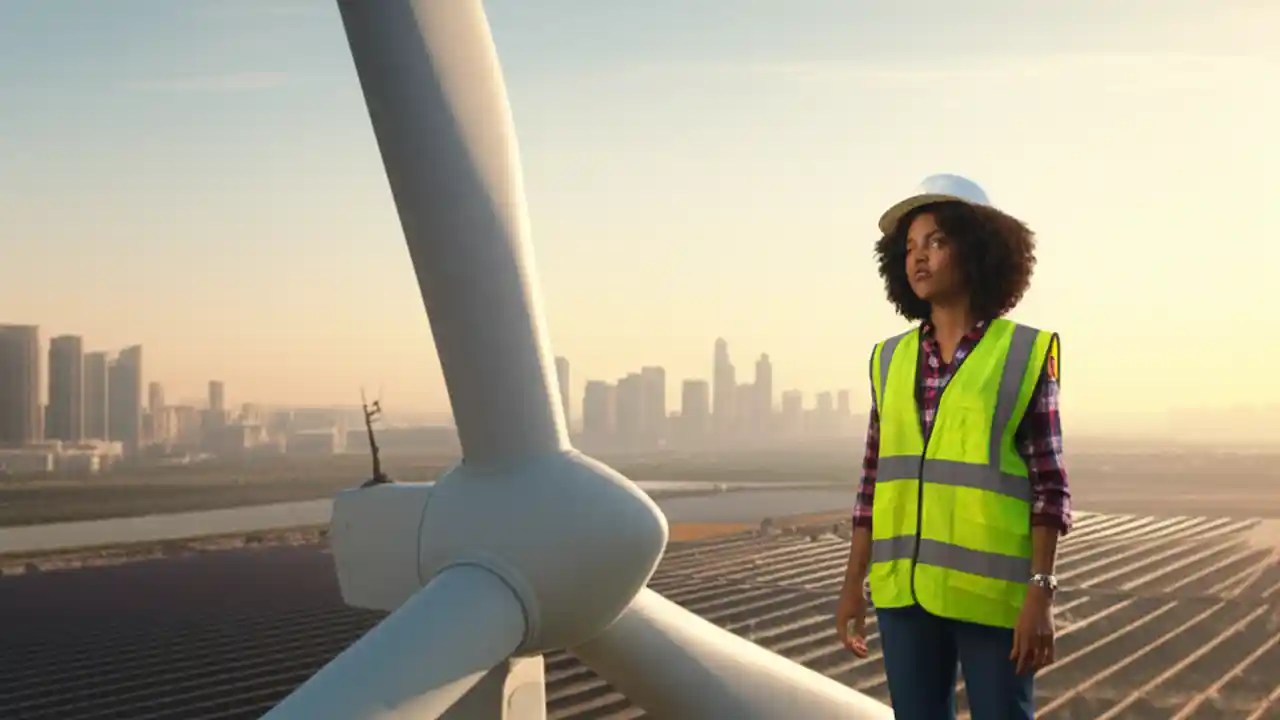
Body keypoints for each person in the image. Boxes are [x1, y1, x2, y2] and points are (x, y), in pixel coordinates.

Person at [834, 174, 1072, 719]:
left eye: (936, 242)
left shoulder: (1022, 353)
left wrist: (1041, 592)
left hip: (994, 599)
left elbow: (1049, 485)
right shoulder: (888, 360)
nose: (919, 258)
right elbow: (872, 484)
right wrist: (853, 586)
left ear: (977, 249)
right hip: (903, 597)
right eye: (910, 246)